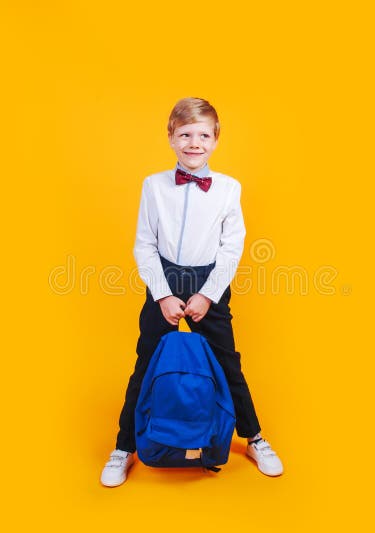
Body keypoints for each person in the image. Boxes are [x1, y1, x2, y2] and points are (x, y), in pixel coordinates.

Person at [100, 97, 283, 487]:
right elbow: (144, 245)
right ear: (170, 137)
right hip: (163, 282)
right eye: (185, 134)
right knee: (146, 364)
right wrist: (163, 294)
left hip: (209, 284)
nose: (194, 143)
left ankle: (254, 438)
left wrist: (208, 295)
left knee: (227, 363)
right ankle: (124, 446)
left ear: (216, 140)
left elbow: (231, 248)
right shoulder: (153, 186)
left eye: (203, 135)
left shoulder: (229, 189)